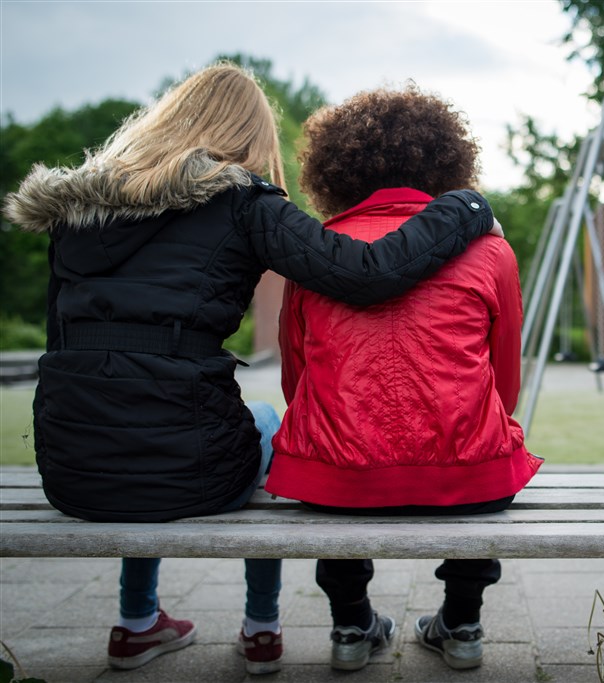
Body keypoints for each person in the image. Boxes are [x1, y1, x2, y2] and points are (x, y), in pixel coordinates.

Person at [1, 63, 498, 675]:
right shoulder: (241, 202)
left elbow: (59, 338)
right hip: (191, 471)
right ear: (245, 137)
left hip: (71, 471)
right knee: (265, 422)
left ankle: (136, 622)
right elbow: (366, 275)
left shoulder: (78, 212)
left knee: (136, 415)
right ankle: (262, 627)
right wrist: (464, 208)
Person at [265, 85, 543, 672]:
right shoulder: (491, 251)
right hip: (470, 472)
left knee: (328, 479)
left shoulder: (316, 250)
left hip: (339, 475)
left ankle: (351, 625)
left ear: (336, 170)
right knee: (489, 458)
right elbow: (505, 376)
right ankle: (462, 622)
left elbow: (297, 375)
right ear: (446, 162)